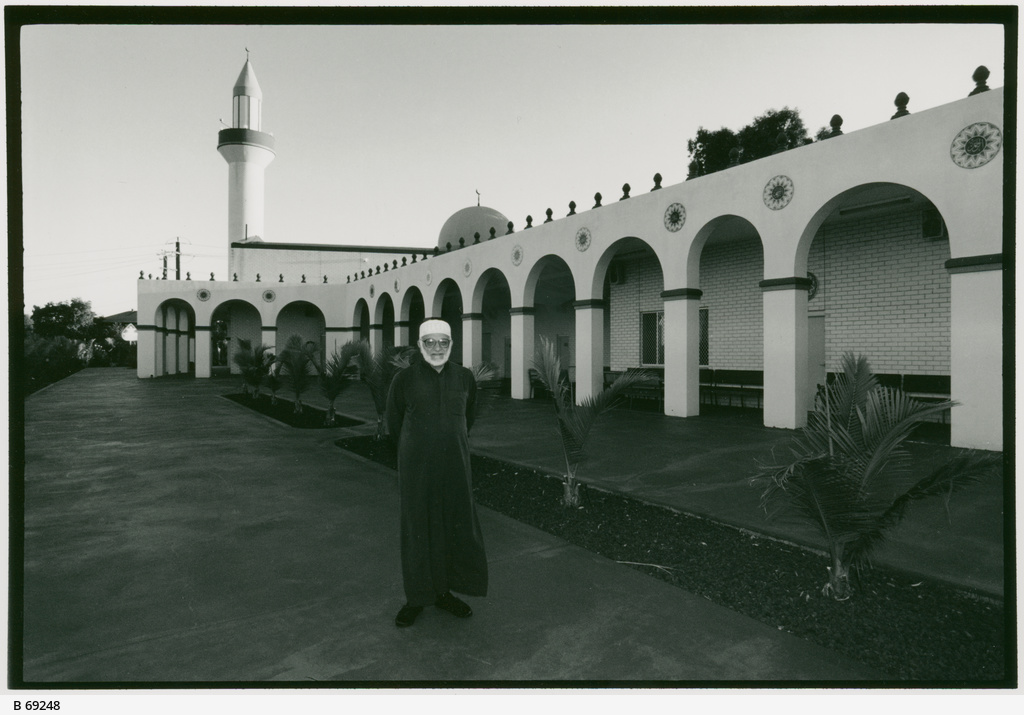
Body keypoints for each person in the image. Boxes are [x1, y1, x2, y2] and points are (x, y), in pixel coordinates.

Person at [385, 319, 488, 627]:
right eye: (430, 342)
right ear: (420, 345)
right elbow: (395, 423)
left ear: (451, 345)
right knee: (417, 530)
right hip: (417, 469)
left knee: (453, 527)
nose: (437, 348)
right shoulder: (404, 379)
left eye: (443, 342)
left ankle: (444, 594)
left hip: (456, 468)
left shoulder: (465, 377)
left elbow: (467, 418)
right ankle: (417, 598)